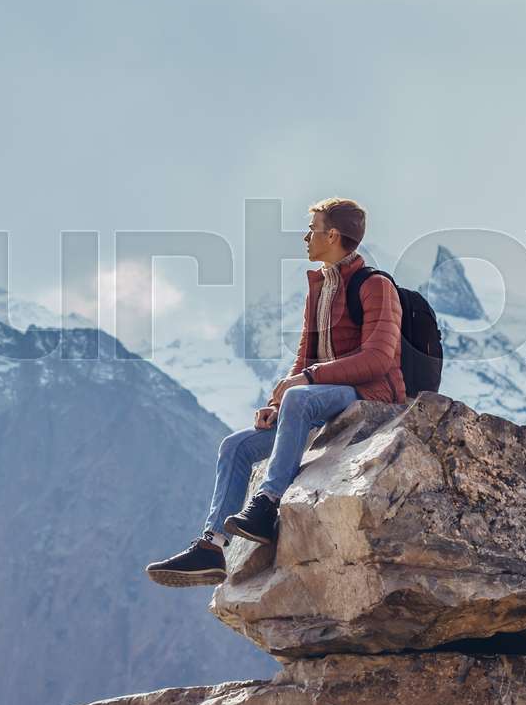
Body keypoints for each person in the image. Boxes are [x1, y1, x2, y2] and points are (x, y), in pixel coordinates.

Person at [145, 197, 407, 587]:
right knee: (236, 446)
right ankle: (212, 547)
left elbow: (379, 358)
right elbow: (303, 360)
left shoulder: (375, 286)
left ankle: (266, 505)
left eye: (313, 229)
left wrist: (307, 382)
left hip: (371, 398)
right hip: (322, 399)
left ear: (333, 235)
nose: (306, 238)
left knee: (300, 398)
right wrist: (275, 403)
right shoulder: (319, 290)